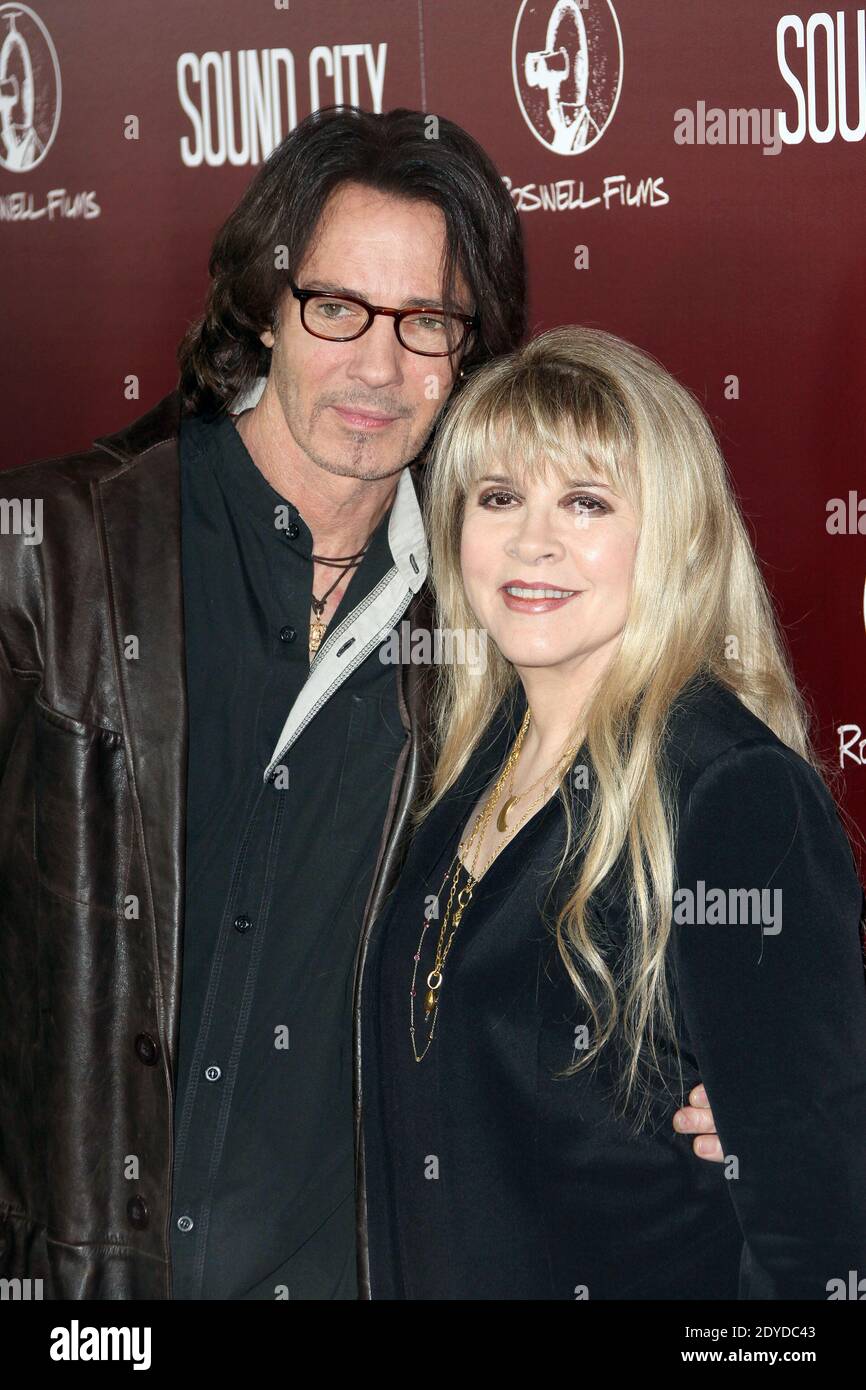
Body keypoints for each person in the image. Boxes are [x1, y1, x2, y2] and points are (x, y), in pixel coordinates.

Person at [0, 106, 721, 1302]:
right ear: (265, 307)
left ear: (466, 348)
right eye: (337, 308)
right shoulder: (55, 555)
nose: (377, 367)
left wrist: (741, 1059)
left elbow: (655, 824)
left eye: (424, 322)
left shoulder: (498, 612)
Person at [359, 325, 866, 1300]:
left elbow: (817, 1244)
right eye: (497, 497)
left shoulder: (728, 791)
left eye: (583, 502)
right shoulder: (459, 770)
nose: (530, 539)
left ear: (671, 537)